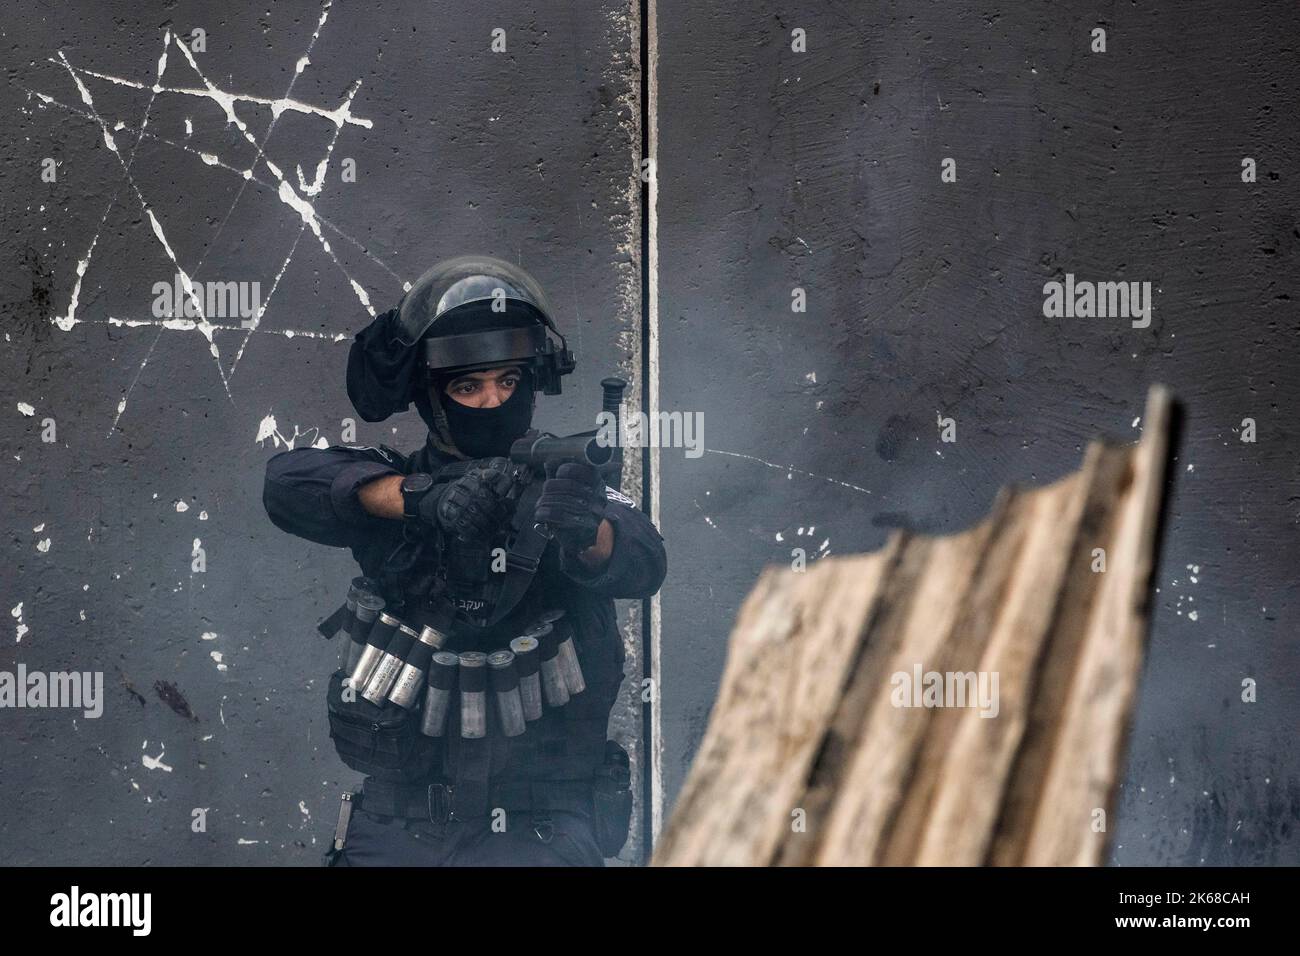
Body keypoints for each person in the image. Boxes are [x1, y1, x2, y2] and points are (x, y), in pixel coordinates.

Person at [261, 255, 667, 866]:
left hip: (537, 828)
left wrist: (584, 530)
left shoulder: (567, 489)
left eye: (508, 381)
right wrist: (424, 501)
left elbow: (642, 560)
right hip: (399, 825)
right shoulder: (394, 489)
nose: (493, 399)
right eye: (468, 386)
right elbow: (287, 484)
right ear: (432, 397)